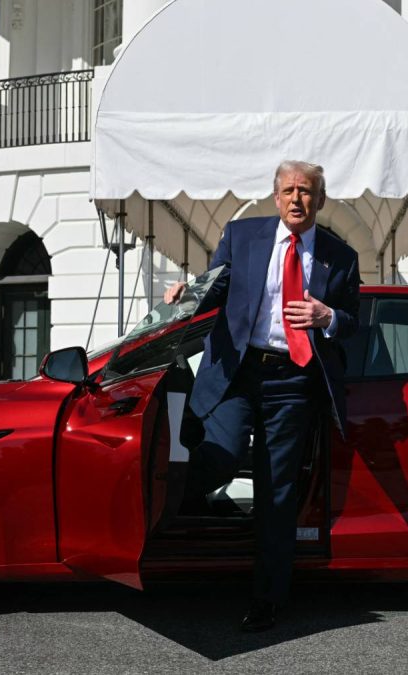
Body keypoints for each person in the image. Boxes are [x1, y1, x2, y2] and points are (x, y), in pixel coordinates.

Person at [163, 160, 361, 631]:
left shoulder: (341, 256)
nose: (297, 199)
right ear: (276, 197)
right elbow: (215, 288)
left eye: (306, 191)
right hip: (239, 370)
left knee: (277, 490)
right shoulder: (242, 235)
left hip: (293, 380)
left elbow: (354, 322)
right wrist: (187, 292)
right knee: (222, 454)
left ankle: (268, 599)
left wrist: (329, 317)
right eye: (289, 190)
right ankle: (166, 514)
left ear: (320, 199)